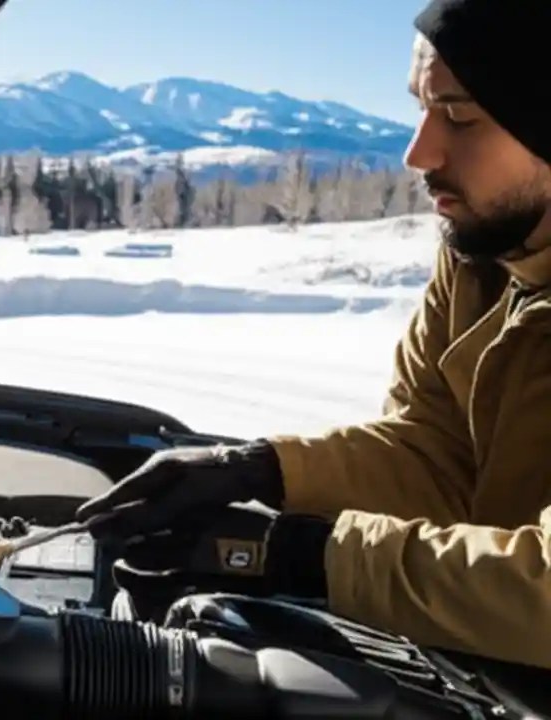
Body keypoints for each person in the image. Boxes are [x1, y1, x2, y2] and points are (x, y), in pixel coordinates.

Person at [77, 0, 551, 670]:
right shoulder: (484, 253)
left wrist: (299, 554)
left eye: (461, 115)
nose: (419, 153)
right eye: (420, 106)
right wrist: (261, 469)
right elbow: (437, 453)